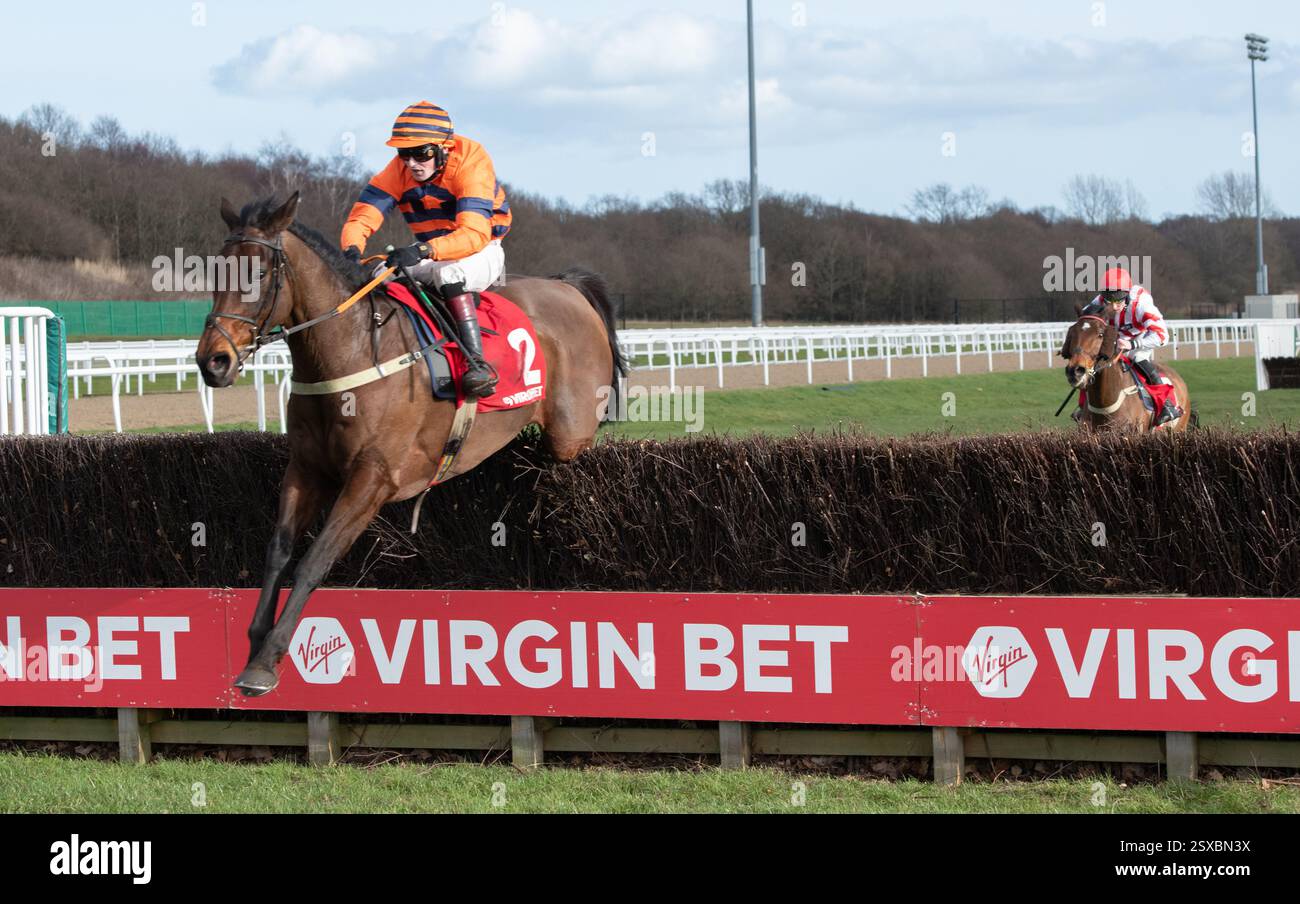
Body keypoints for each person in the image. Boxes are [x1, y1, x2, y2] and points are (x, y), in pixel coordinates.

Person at [340, 101, 511, 397]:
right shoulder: (398, 171)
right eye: (404, 153)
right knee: (379, 276)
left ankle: (477, 365)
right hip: (432, 251)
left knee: (450, 273)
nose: (412, 163)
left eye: (422, 153)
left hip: (480, 250)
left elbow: (473, 234)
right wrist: (352, 251)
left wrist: (421, 251)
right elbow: (363, 216)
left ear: (444, 148)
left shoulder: (471, 161)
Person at [1080, 266, 1183, 426]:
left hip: (1141, 337)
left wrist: (1133, 343)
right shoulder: (1098, 302)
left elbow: (1163, 335)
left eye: (1118, 300)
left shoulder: (1141, 304)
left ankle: (1166, 405)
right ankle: (1083, 406)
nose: (1114, 306)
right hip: (1116, 338)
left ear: (1127, 294)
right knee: (1093, 366)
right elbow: (1085, 322)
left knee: (1137, 357)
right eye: (1109, 300)